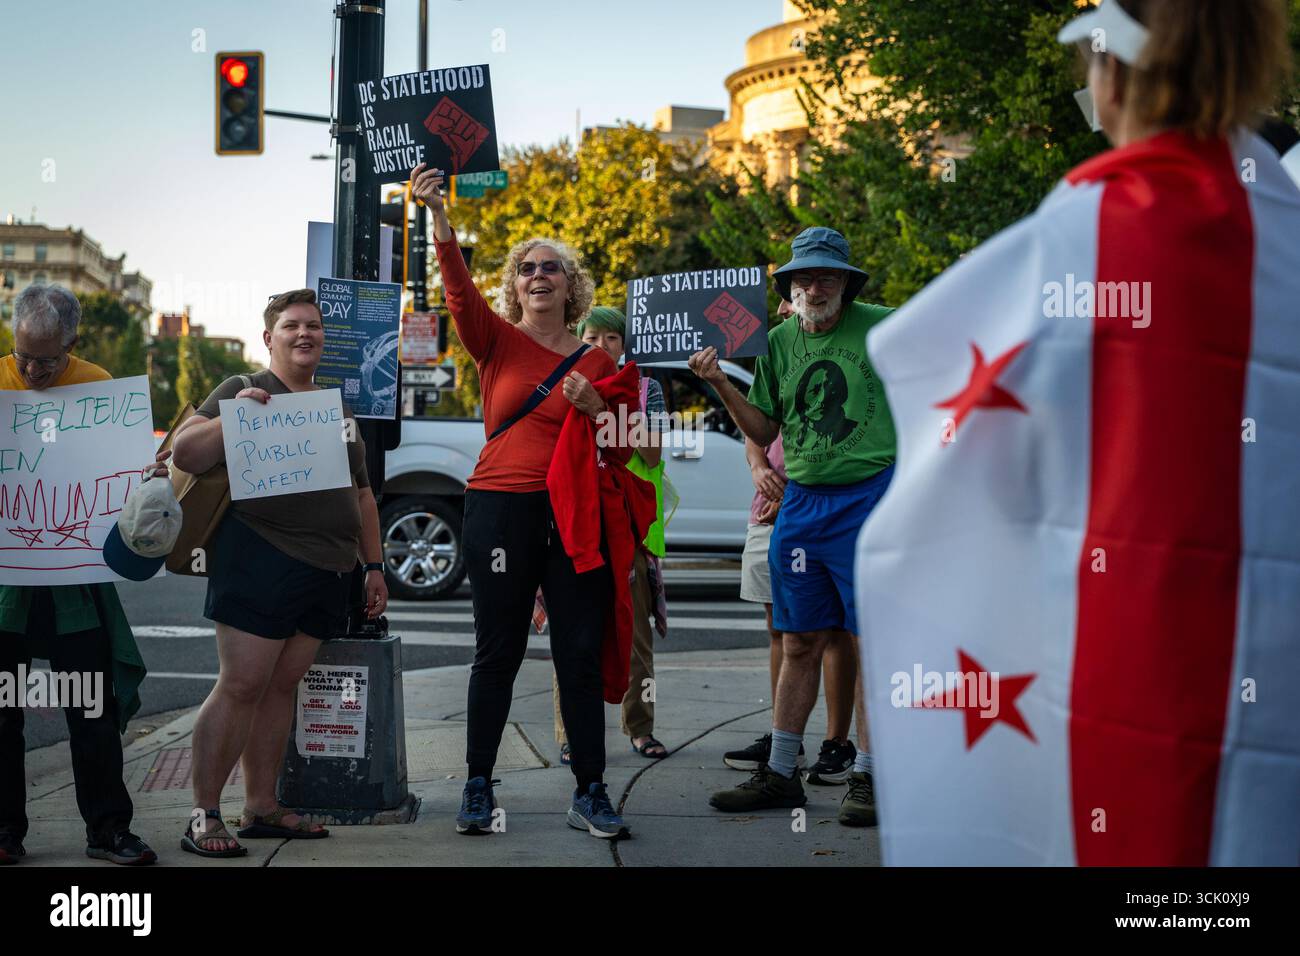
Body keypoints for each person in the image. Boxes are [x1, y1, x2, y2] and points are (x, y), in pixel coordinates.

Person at [854, 0, 1300, 864]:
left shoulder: (1077, 239)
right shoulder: (1287, 234)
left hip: (1120, 659)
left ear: (1119, 71)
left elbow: (925, 374)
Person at [411, 163, 636, 840]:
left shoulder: (600, 364)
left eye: (552, 268)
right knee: (498, 649)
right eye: (527, 269)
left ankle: (591, 790)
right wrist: (438, 215)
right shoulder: (495, 342)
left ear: (572, 287)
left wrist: (600, 408)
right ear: (515, 286)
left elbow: (625, 453)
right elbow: (454, 289)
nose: (538, 276)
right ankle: (478, 785)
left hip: (572, 518)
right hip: (500, 509)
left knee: (577, 649)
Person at [169, 288, 388, 858]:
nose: (304, 334)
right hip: (259, 556)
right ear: (269, 338)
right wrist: (238, 419)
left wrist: (373, 566)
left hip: (328, 568)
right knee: (241, 685)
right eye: (291, 326)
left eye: (313, 326)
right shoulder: (242, 390)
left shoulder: (334, 408)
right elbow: (185, 454)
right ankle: (204, 815)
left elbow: (361, 493)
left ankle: (261, 806)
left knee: (282, 686)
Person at [688, 227, 896, 827]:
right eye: (803, 278)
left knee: (870, 645)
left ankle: (870, 777)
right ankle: (781, 774)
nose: (814, 286)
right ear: (789, 286)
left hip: (868, 502)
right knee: (798, 639)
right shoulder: (777, 341)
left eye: (826, 276)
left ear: (847, 284)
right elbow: (764, 427)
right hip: (801, 507)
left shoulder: (883, 326)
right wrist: (722, 383)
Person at [0, 284, 155, 866]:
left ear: (73, 344)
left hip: (74, 582)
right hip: (3, 584)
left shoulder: (99, 385)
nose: (33, 370)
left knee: (91, 707)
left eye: (47, 359)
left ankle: (109, 829)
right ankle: (4, 831)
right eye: (23, 358)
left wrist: (146, 467)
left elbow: (120, 483)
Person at [726, 299, 859, 785]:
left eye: (804, 290)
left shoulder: (844, 347)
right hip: (768, 513)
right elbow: (757, 428)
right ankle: (788, 739)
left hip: (813, 507)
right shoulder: (777, 353)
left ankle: (838, 743)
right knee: (784, 627)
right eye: (788, 292)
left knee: (837, 631)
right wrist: (760, 467)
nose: (790, 304)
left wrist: (798, 495)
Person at [552, 306, 671, 761]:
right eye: (592, 337)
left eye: (611, 339)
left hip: (631, 528)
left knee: (635, 638)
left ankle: (640, 727)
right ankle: (570, 736)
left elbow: (653, 453)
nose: (601, 346)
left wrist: (601, 408)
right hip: (579, 525)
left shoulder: (645, 388)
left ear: (624, 345)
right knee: (573, 634)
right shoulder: (563, 381)